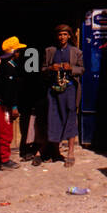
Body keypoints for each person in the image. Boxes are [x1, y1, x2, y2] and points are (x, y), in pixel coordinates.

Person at [39, 24, 83, 167]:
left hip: (69, 90)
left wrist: (71, 68)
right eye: (60, 35)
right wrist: (51, 68)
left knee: (70, 117)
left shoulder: (76, 52)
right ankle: (55, 151)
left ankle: (70, 152)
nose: (62, 37)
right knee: (53, 118)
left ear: (69, 36)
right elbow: (43, 70)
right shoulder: (50, 51)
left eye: (65, 34)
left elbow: (82, 69)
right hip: (54, 90)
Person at [0, 37, 26, 169]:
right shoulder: (8, 69)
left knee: (2, 131)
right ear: (14, 53)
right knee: (5, 131)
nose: (20, 54)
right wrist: (14, 107)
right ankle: (4, 160)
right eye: (18, 51)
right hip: (3, 105)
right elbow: (8, 92)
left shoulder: (8, 67)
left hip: (2, 103)